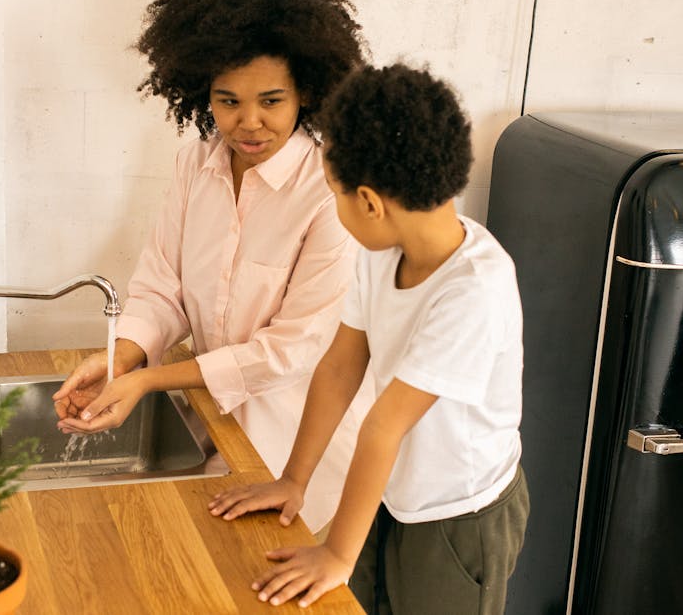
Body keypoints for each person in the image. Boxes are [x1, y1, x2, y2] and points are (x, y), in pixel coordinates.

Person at [207, 64, 530, 613]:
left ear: (370, 203)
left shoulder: (475, 288)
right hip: (394, 491)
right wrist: (294, 479)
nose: (334, 208)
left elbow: (384, 426)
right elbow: (340, 366)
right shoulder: (381, 254)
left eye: (334, 194)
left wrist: (336, 553)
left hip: (458, 515)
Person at [50, 0, 369, 535]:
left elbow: (289, 352)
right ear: (204, 94)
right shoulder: (195, 164)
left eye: (271, 101)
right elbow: (161, 287)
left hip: (303, 459)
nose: (249, 122)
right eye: (228, 101)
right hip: (216, 435)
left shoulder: (328, 192)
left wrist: (149, 382)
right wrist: (121, 359)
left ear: (306, 94)